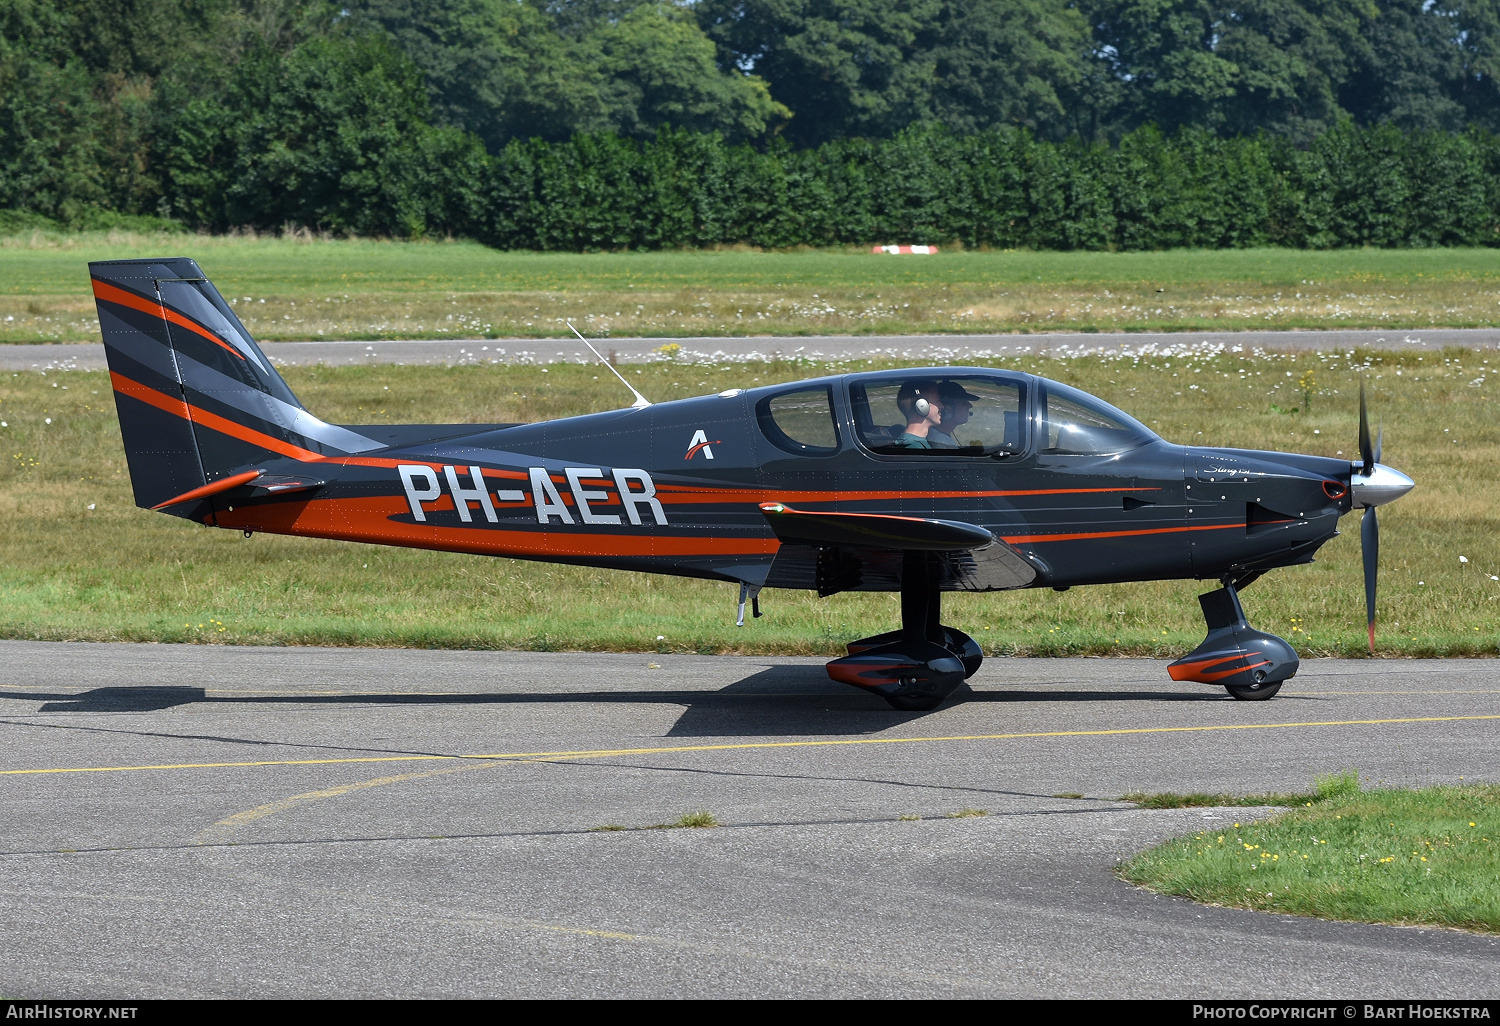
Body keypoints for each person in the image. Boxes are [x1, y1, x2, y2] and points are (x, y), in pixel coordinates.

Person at [927, 380, 979, 448]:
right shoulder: (940, 442)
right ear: (947, 408)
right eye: (963, 403)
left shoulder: (940, 438)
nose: (970, 406)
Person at [893, 379, 943, 448]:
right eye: (937, 401)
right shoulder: (913, 447)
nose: (942, 406)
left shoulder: (916, 443)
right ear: (922, 405)